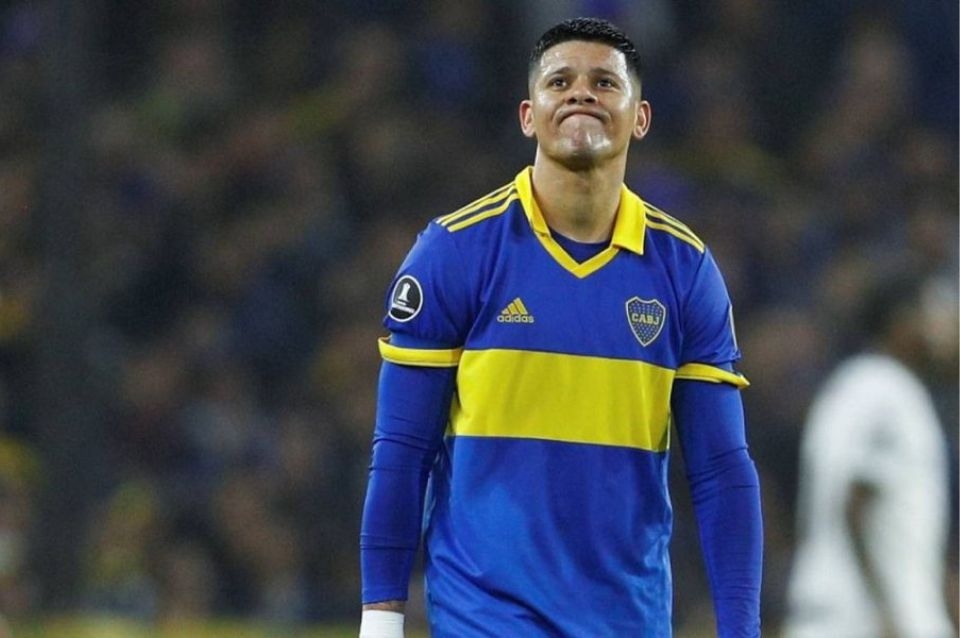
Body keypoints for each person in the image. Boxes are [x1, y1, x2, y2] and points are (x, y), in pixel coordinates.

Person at [359, 17, 763, 637]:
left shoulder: (685, 270)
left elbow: (721, 472)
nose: (580, 94)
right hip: (486, 617)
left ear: (640, 118)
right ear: (529, 116)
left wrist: (741, 629)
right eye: (559, 82)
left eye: (604, 82)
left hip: (627, 621)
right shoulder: (455, 252)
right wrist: (380, 621)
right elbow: (401, 452)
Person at [784, 274, 956, 638]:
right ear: (901, 321)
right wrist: (887, 614)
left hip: (839, 613)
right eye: (932, 315)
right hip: (861, 620)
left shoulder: (855, 386)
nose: (941, 329)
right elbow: (854, 502)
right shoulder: (884, 390)